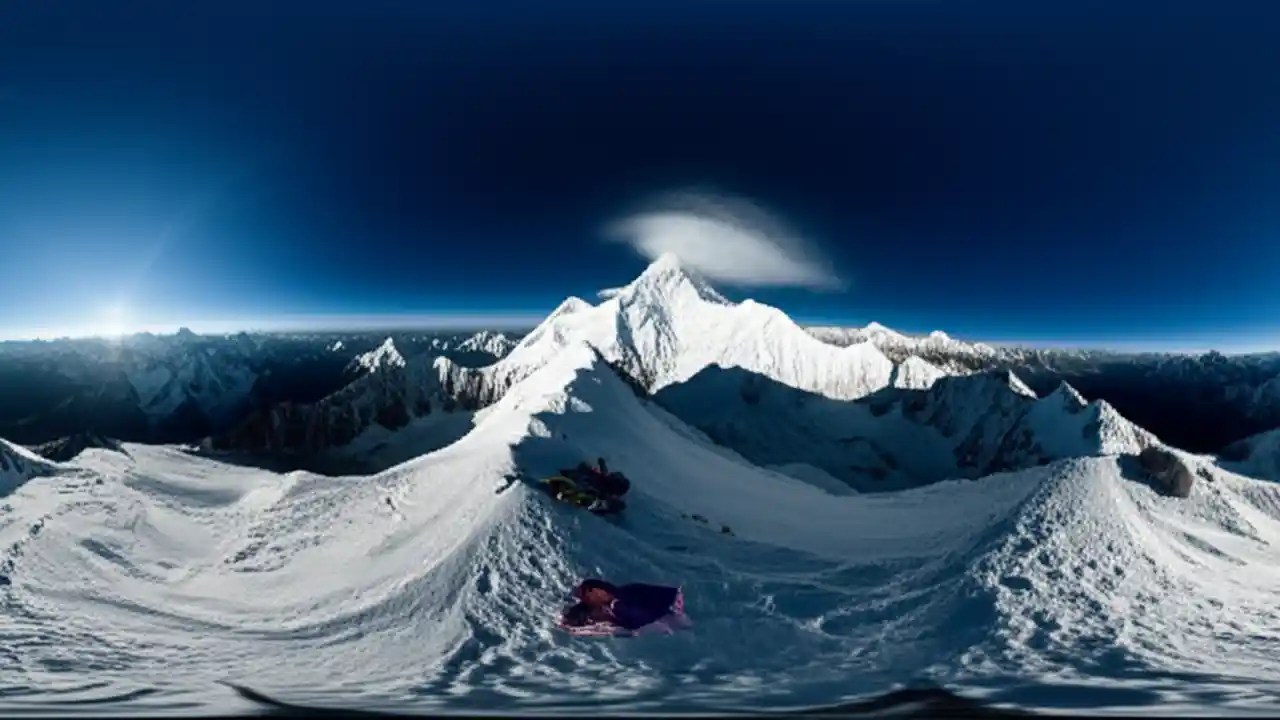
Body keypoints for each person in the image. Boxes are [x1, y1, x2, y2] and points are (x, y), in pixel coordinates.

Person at [570, 578, 685, 632]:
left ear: (598, 590)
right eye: (581, 598)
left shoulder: (627, 592)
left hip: (665, 617)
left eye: (585, 594)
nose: (584, 600)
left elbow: (673, 593)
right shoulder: (595, 609)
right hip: (654, 624)